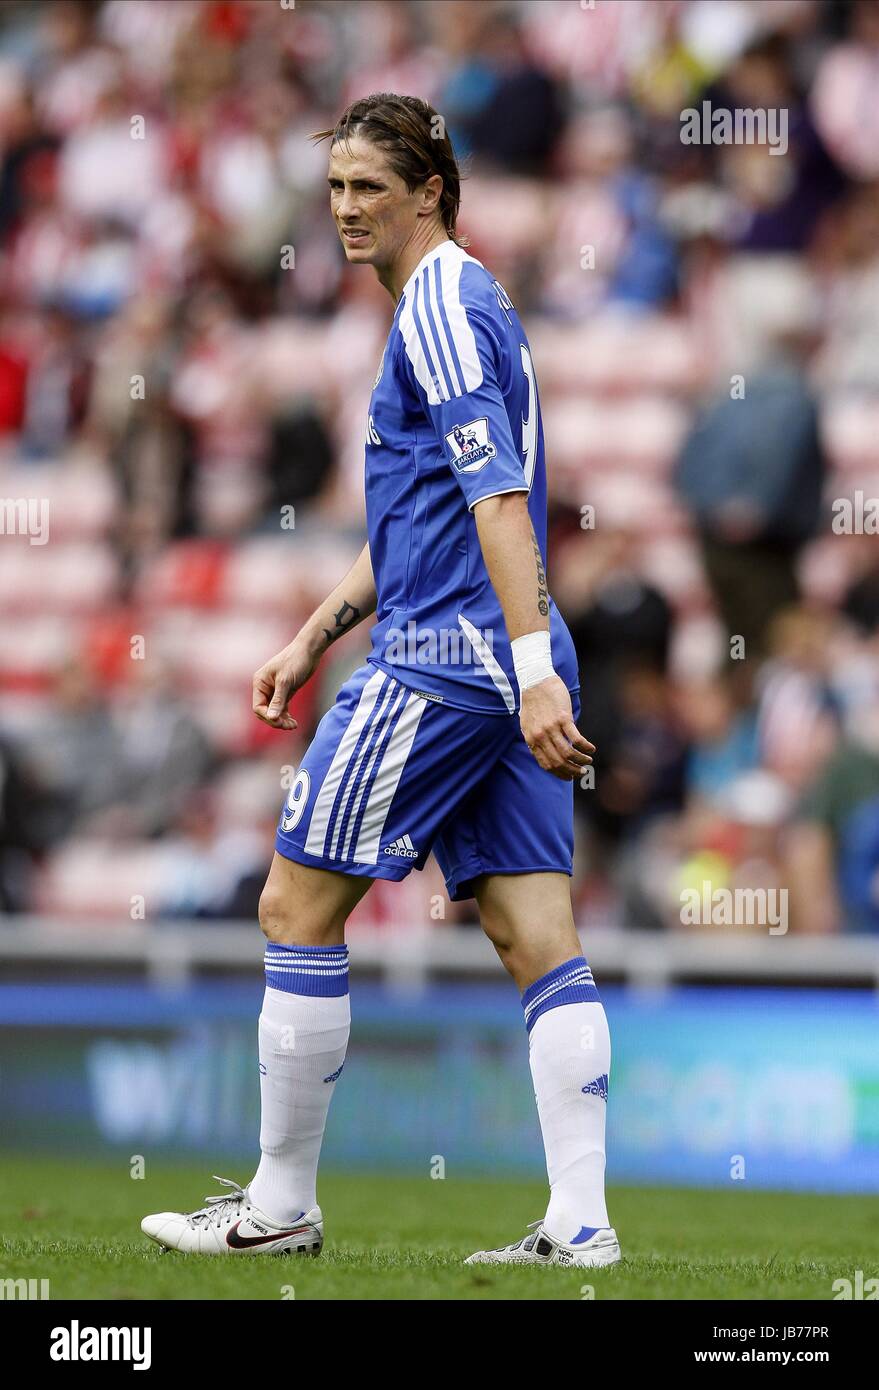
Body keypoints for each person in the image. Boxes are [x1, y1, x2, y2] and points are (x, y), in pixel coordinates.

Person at [141, 93, 619, 1269]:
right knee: (531, 929)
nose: (348, 210)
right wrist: (315, 632)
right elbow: (433, 512)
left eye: (371, 188)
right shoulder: (452, 302)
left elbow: (501, 501)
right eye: (338, 189)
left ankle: (280, 1204)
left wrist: (520, 669)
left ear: (431, 193)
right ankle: (582, 1222)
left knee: (295, 905)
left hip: (452, 663)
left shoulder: (444, 304)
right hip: (497, 652)